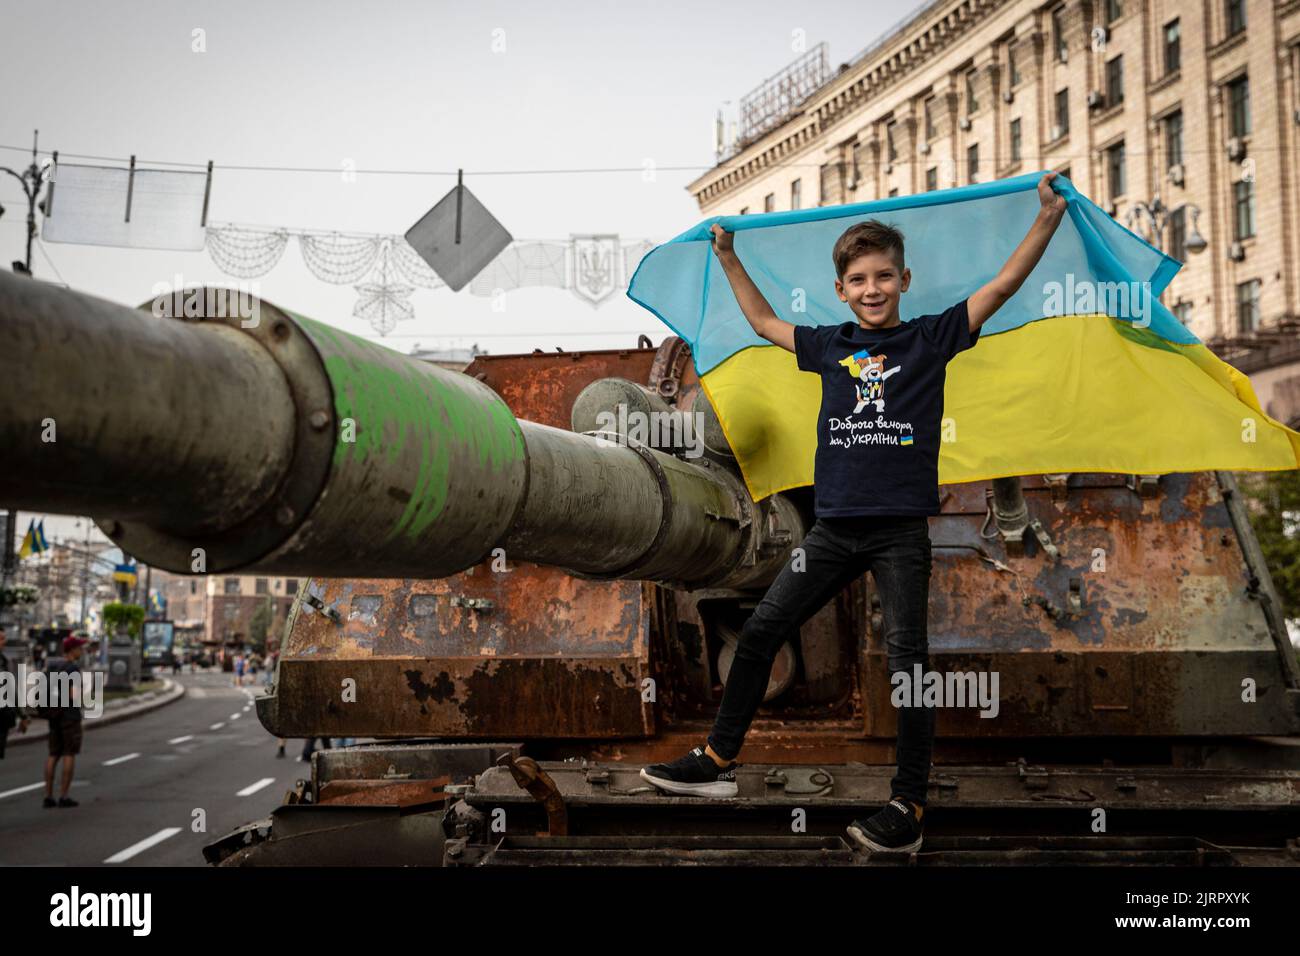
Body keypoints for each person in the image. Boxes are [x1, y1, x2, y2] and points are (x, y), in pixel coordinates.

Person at [639, 173, 1067, 854]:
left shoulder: (932, 338)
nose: (872, 288)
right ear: (842, 289)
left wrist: (1045, 219)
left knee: (909, 665)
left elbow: (1001, 288)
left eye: (883, 277)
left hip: (899, 533)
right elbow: (761, 322)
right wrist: (727, 257)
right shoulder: (829, 344)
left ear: (903, 280)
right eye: (859, 279)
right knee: (760, 632)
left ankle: (908, 807)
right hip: (834, 531)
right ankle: (716, 763)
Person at [43, 634, 90, 807]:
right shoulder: (72, 669)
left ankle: (48, 796)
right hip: (69, 715)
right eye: (80, 648)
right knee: (69, 753)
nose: (82, 651)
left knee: (53, 754)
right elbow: (73, 695)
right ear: (73, 650)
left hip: (53, 714)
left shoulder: (52, 666)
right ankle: (64, 796)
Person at [0, 625, 31, 758]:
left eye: (4, 638)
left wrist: (23, 716)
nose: (4, 642)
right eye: (1, 639)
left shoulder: (3, 661)